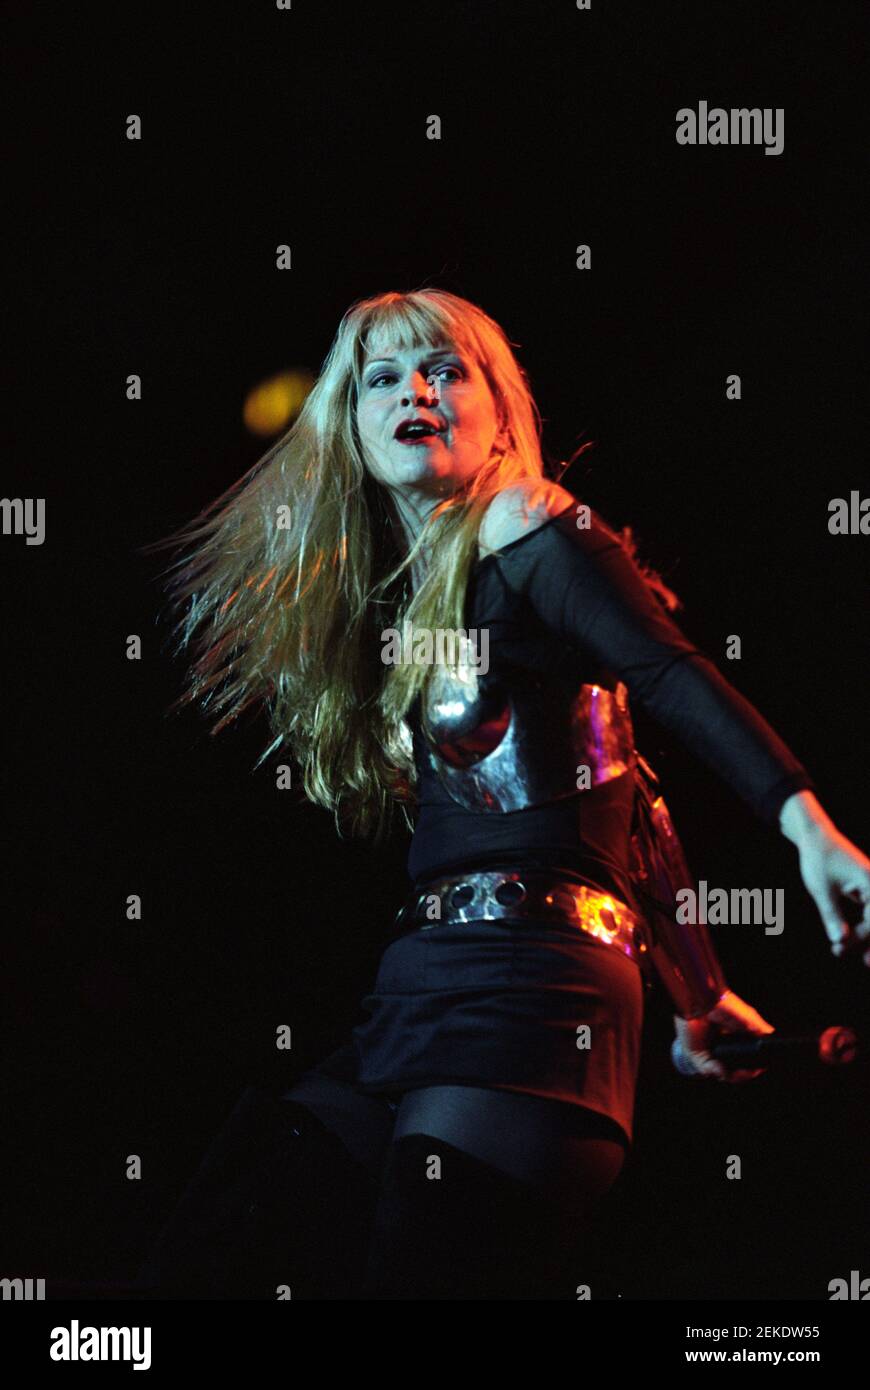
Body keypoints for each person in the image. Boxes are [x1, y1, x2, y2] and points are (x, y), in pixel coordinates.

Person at [137, 287, 870, 1300]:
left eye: (446, 369)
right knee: (230, 1236)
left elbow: (665, 676)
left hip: (532, 998)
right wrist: (698, 991)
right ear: (352, 422)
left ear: (500, 412)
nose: (417, 392)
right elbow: (626, 786)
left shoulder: (527, 525)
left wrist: (805, 822)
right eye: (385, 377)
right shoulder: (416, 593)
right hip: (421, 987)